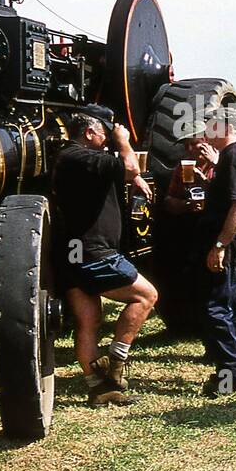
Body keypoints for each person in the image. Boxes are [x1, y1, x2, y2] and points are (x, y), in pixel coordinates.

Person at [50, 104, 157, 406]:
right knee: (146, 296)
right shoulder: (80, 157)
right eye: (106, 134)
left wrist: (131, 177)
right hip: (93, 253)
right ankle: (115, 361)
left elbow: (123, 172)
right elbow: (130, 166)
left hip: (73, 254)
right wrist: (124, 143)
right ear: (89, 132)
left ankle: (99, 389)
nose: (109, 139)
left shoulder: (73, 158)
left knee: (89, 322)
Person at [197, 108, 236, 396]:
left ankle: (233, 374)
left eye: (210, 127)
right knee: (235, 305)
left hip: (233, 242)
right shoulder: (233, 157)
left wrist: (220, 245)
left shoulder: (234, 157)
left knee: (217, 307)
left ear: (222, 128)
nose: (206, 133)